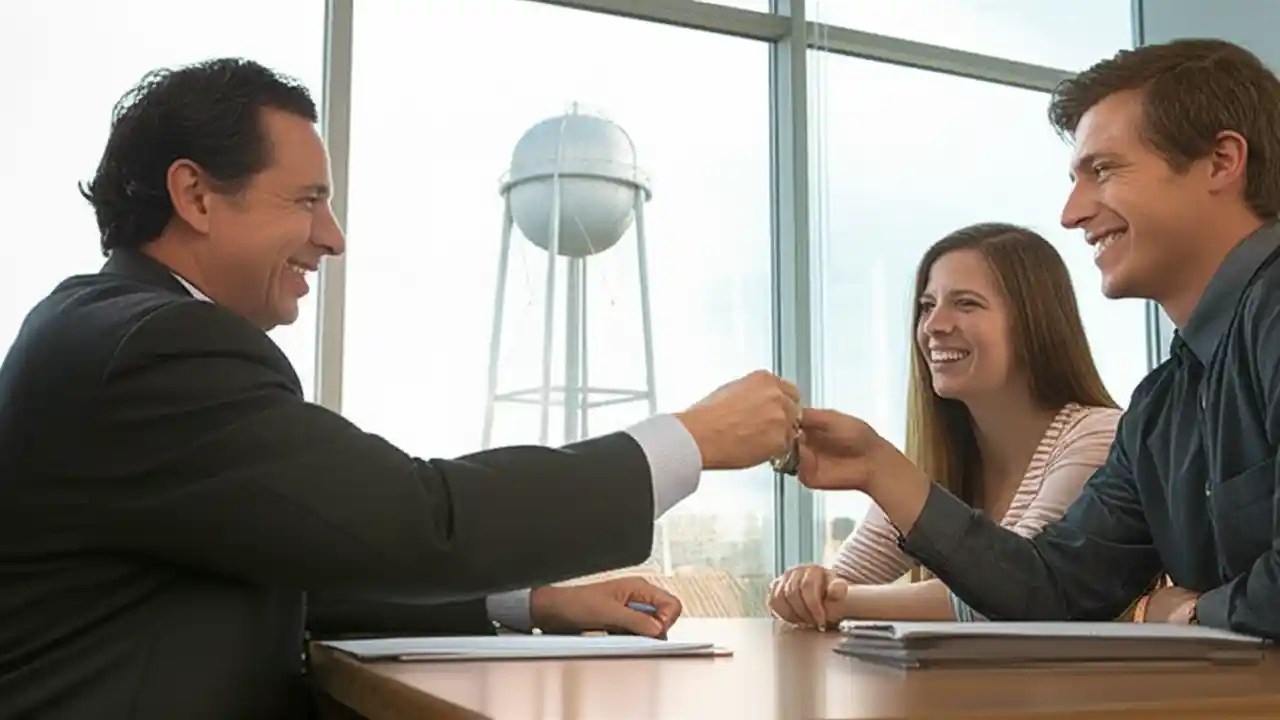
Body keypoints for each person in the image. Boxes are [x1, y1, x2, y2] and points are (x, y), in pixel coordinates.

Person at [0, 59, 801, 719]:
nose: (333, 237)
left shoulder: (103, 328)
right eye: (308, 200)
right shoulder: (156, 348)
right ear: (196, 195)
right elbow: (416, 518)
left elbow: (296, 573)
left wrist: (532, 602)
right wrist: (690, 439)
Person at [795, 38, 1280, 639]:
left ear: (1220, 161)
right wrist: (877, 468)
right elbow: (1053, 589)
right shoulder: (1162, 404)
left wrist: (1188, 612)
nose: (1071, 213)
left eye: (1101, 170)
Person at [769, 224, 1121, 629]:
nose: (934, 325)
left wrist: (841, 600)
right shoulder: (935, 459)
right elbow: (836, 586)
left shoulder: (1099, 435)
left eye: (966, 304)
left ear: (1034, 322)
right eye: (926, 306)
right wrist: (803, 588)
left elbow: (1014, 592)